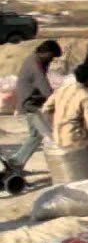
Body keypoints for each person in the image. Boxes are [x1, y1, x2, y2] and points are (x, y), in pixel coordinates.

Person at [5, 40, 61, 170]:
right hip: (31, 104)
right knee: (48, 134)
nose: (51, 60)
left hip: (29, 102)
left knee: (35, 135)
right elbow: (45, 89)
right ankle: (16, 163)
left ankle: (15, 162)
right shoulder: (35, 66)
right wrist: (59, 101)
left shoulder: (33, 59)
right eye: (51, 57)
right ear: (46, 53)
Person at [43, 63, 88, 154]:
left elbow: (45, 108)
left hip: (58, 137)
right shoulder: (86, 97)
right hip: (74, 140)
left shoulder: (62, 89)